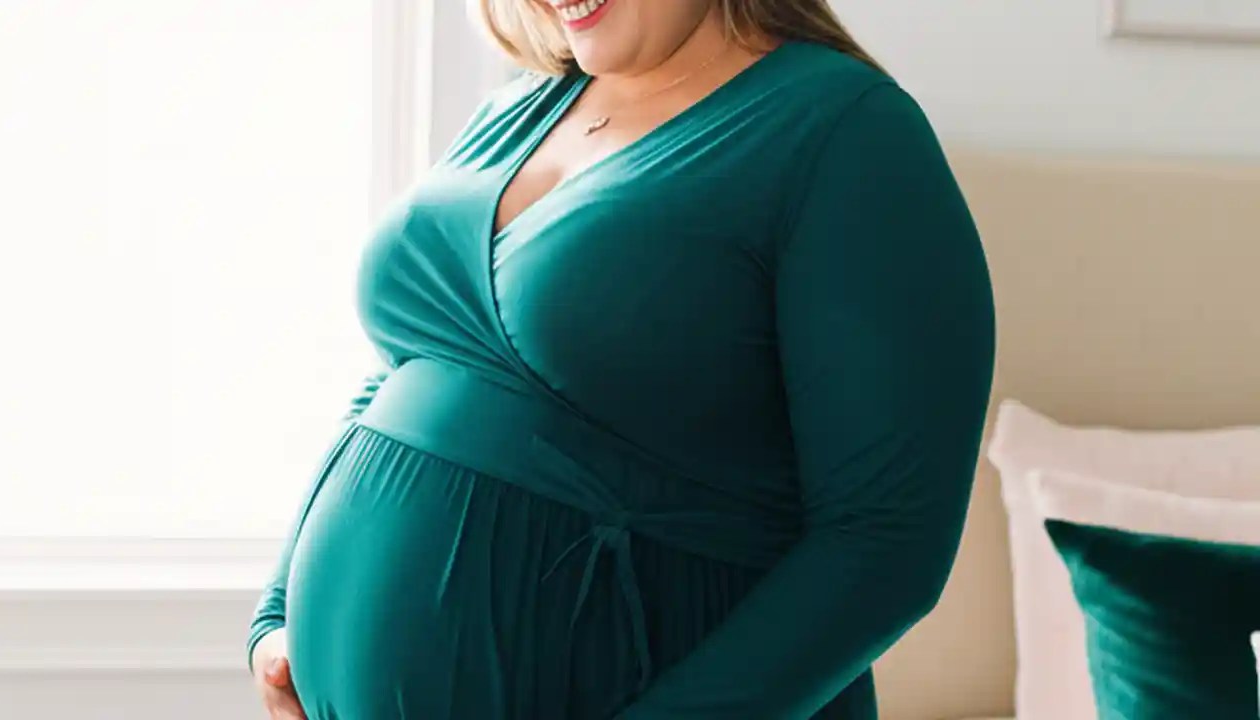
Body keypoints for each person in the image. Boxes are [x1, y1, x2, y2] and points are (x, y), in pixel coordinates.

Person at [247, 0, 997, 717]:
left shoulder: (849, 133)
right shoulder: (522, 104)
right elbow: (408, 369)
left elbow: (887, 542)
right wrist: (280, 616)